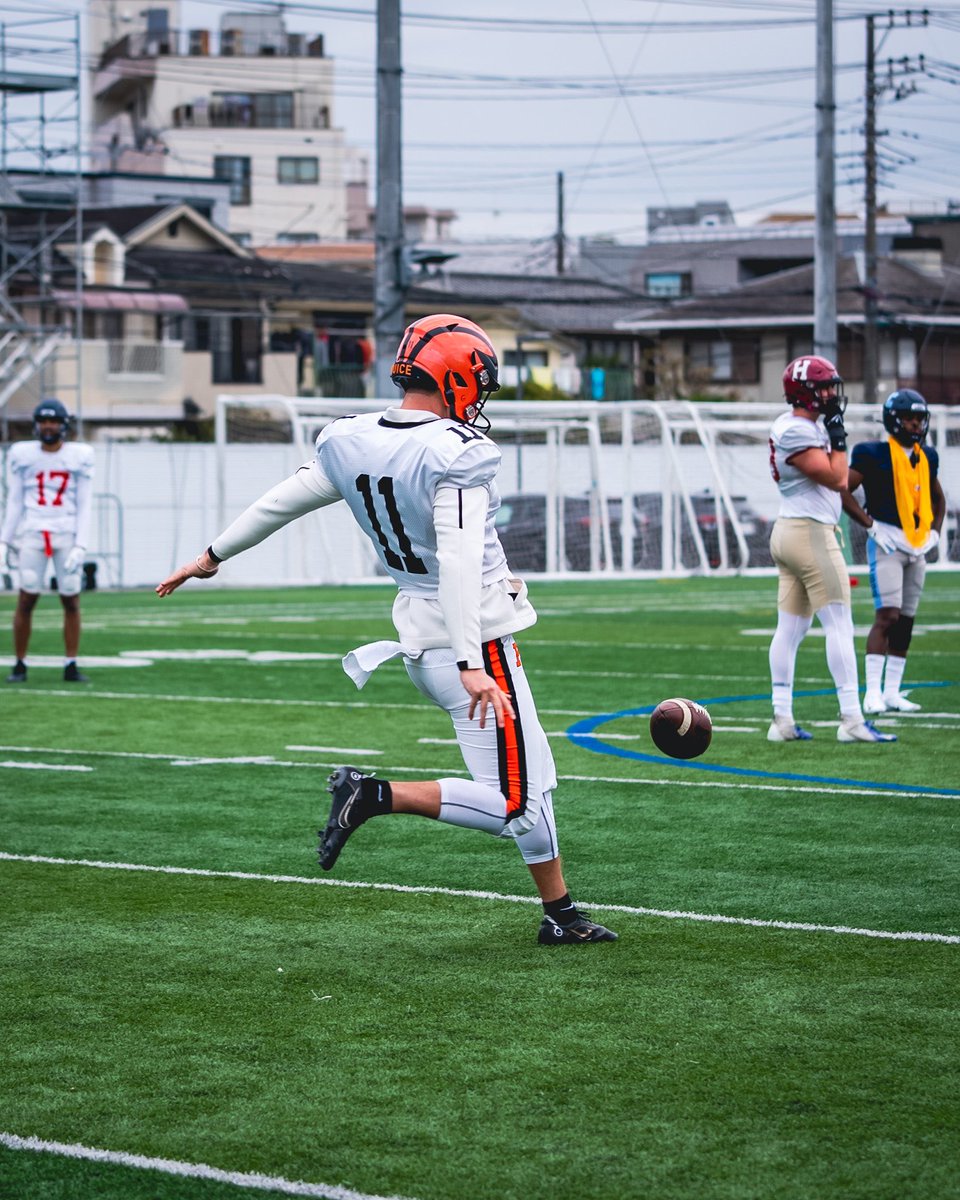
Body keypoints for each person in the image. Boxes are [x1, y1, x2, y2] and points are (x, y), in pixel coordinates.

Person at [157, 313, 617, 946]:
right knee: (516, 802)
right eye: (478, 383)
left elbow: (283, 500)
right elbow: (458, 563)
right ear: (456, 378)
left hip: (422, 640)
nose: (480, 399)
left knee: (530, 785)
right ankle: (373, 796)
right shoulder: (456, 451)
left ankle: (560, 914)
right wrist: (472, 662)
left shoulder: (353, 438)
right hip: (471, 646)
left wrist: (212, 555)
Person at [766, 355, 895, 744]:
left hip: (793, 530)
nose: (831, 395)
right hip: (809, 534)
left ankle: (781, 720)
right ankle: (852, 719)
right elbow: (839, 479)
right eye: (823, 388)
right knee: (839, 624)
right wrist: (839, 438)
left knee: (792, 628)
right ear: (803, 392)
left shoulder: (800, 426)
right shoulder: (795, 430)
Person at [841, 388, 945, 714]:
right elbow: (843, 491)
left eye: (919, 419)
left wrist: (935, 532)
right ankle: (872, 692)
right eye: (909, 419)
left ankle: (892, 692)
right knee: (887, 615)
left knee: (906, 621)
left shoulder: (926, 456)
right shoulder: (872, 453)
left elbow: (938, 498)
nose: (915, 425)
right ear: (894, 420)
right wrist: (870, 525)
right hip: (886, 541)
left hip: (916, 543)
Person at [1, 398, 95, 684]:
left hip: (66, 532)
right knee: (26, 598)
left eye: (53, 421)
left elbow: (84, 503)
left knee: (71, 599)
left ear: (63, 425)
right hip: (33, 532)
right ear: (36, 424)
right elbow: (15, 501)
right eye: (43, 421)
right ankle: (20, 664)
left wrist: (81, 544)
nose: (48, 426)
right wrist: (4, 541)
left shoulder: (79, 455)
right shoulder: (23, 455)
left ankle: (70, 663)